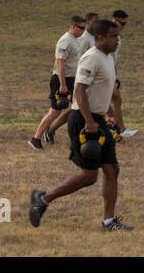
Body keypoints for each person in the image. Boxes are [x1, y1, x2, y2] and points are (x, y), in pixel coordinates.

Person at [28, 18, 131, 231]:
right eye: (114, 36)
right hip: (83, 121)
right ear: (100, 38)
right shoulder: (91, 58)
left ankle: (109, 221)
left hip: (97, 119)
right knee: (89, 176)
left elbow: (100, 91)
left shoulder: (108, 57)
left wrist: (108, 115)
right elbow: (80, 91)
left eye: (118, 36)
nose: (117, 40)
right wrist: (90, 121)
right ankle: (43, 199)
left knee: (112, 169)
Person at [29, 15, 85, 150]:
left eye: (84, 28)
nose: (83, 31)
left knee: (81, 107)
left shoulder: (75, 40)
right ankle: (35, 139)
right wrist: (63, 84)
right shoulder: (65, 41)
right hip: (62, 80)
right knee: (54, 112)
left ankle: (78, 137)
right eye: (81, 28)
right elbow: (59, 62)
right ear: (72, 26)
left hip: (72, 79)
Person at [107, 9, 136, 138]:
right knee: (112, 100)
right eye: (122, 24)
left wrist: (114, 75)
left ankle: (118, 127)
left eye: (125, 24)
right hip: (102, 72)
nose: (124, 27)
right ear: (114, 20)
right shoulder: (106, 34)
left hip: (109, 72)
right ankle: (119, 128)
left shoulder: (117, 36)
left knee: (115, 99)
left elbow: (113, 59)